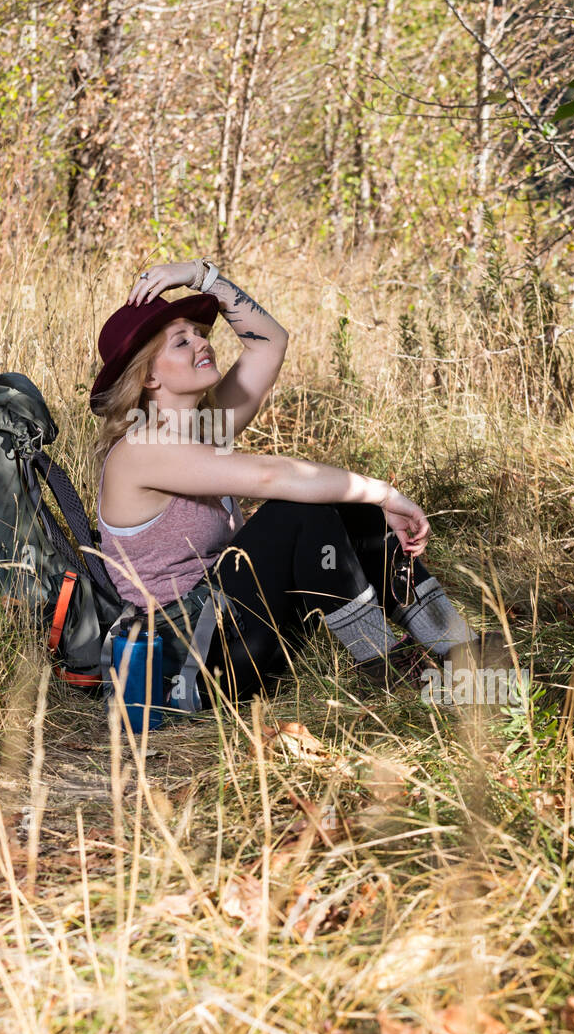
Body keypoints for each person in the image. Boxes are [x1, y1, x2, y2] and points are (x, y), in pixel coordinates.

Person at [90, 258, 506, 706]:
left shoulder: (205, 432)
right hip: (183, 664)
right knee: (295, 510)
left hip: (234, 635)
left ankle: (462, 652)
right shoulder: (139, 450)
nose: (202, 341)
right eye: (181, 340)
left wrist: (202, 276)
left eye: (199, 331)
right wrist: (384, 492)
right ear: (149, 376)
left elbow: (269, 342)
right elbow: (273, 476)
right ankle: (390, 672)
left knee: (347, 505)